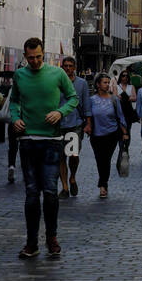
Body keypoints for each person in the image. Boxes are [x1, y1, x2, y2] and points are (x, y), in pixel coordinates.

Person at [8, 37, 78, 259]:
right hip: (28, 140)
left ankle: (51, 236)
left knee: (49, 192)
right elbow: (15, 101)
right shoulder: (19, 75)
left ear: (43, 53)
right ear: (25, 56)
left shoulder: (57, 74)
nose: (35, 61)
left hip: (51, 140)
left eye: (38, 57)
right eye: (31, 58)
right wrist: (15, 118)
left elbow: (73, 98)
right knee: (31, 194)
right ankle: (31, 242)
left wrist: (60, 112)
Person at [88, 73, 129, 198]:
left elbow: (120, 116)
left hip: (111, 134)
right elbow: (88, 116)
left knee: (106, 159)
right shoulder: (91, 100)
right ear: (98, 84)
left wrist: (125, 132)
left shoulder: (114, 99)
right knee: (99, 160)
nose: (107, 85)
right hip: (96, 135)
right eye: (104, 82)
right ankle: (103, 182)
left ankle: (103, 185)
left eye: (108, 82)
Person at [58, 57, 92, 198]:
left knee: (73, 155)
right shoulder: (56, 83)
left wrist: (89, 123)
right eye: (65, 66)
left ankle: (72, 176)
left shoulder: (81, 83)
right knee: (60, 157)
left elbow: (86, 104)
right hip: (59, 124)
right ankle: (65, 186)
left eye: (70, 66)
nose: (67, 68)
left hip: (75, 124)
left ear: (74, 68)